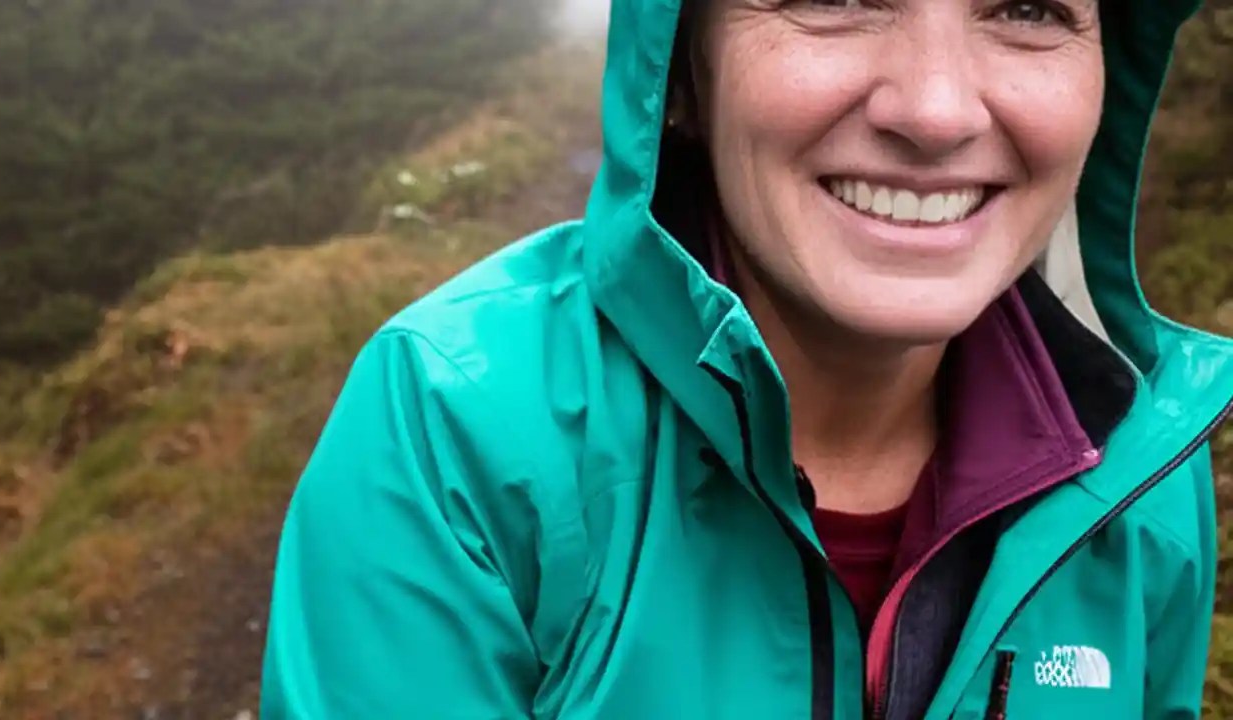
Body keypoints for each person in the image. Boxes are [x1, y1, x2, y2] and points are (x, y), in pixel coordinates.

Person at [260, 0, 1233, 717]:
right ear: (680, 70)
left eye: (1026, 8)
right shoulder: (453, 428)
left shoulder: (1137, 466)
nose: (935, 111)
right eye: (835, 0)